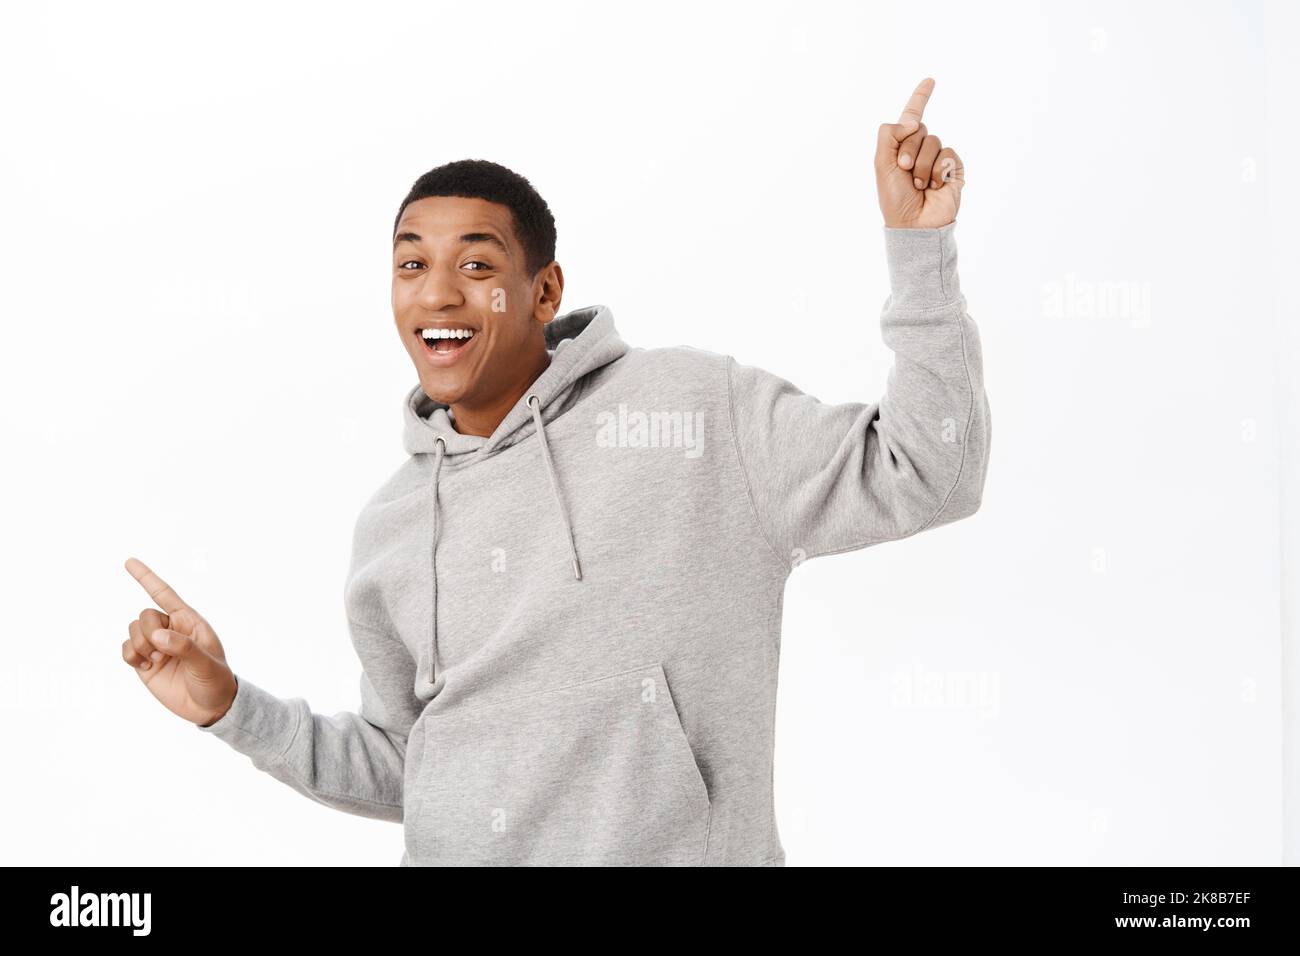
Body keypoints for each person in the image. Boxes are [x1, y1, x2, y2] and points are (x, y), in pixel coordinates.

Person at [122, 77, 990, 866]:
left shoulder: (695, 412)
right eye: (411, 265)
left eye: (476, 265)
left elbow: (928, 471)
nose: (437, 294)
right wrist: (230, 706)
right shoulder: (391, 527)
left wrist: (920, 253)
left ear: (543, 292)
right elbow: (408, 766)